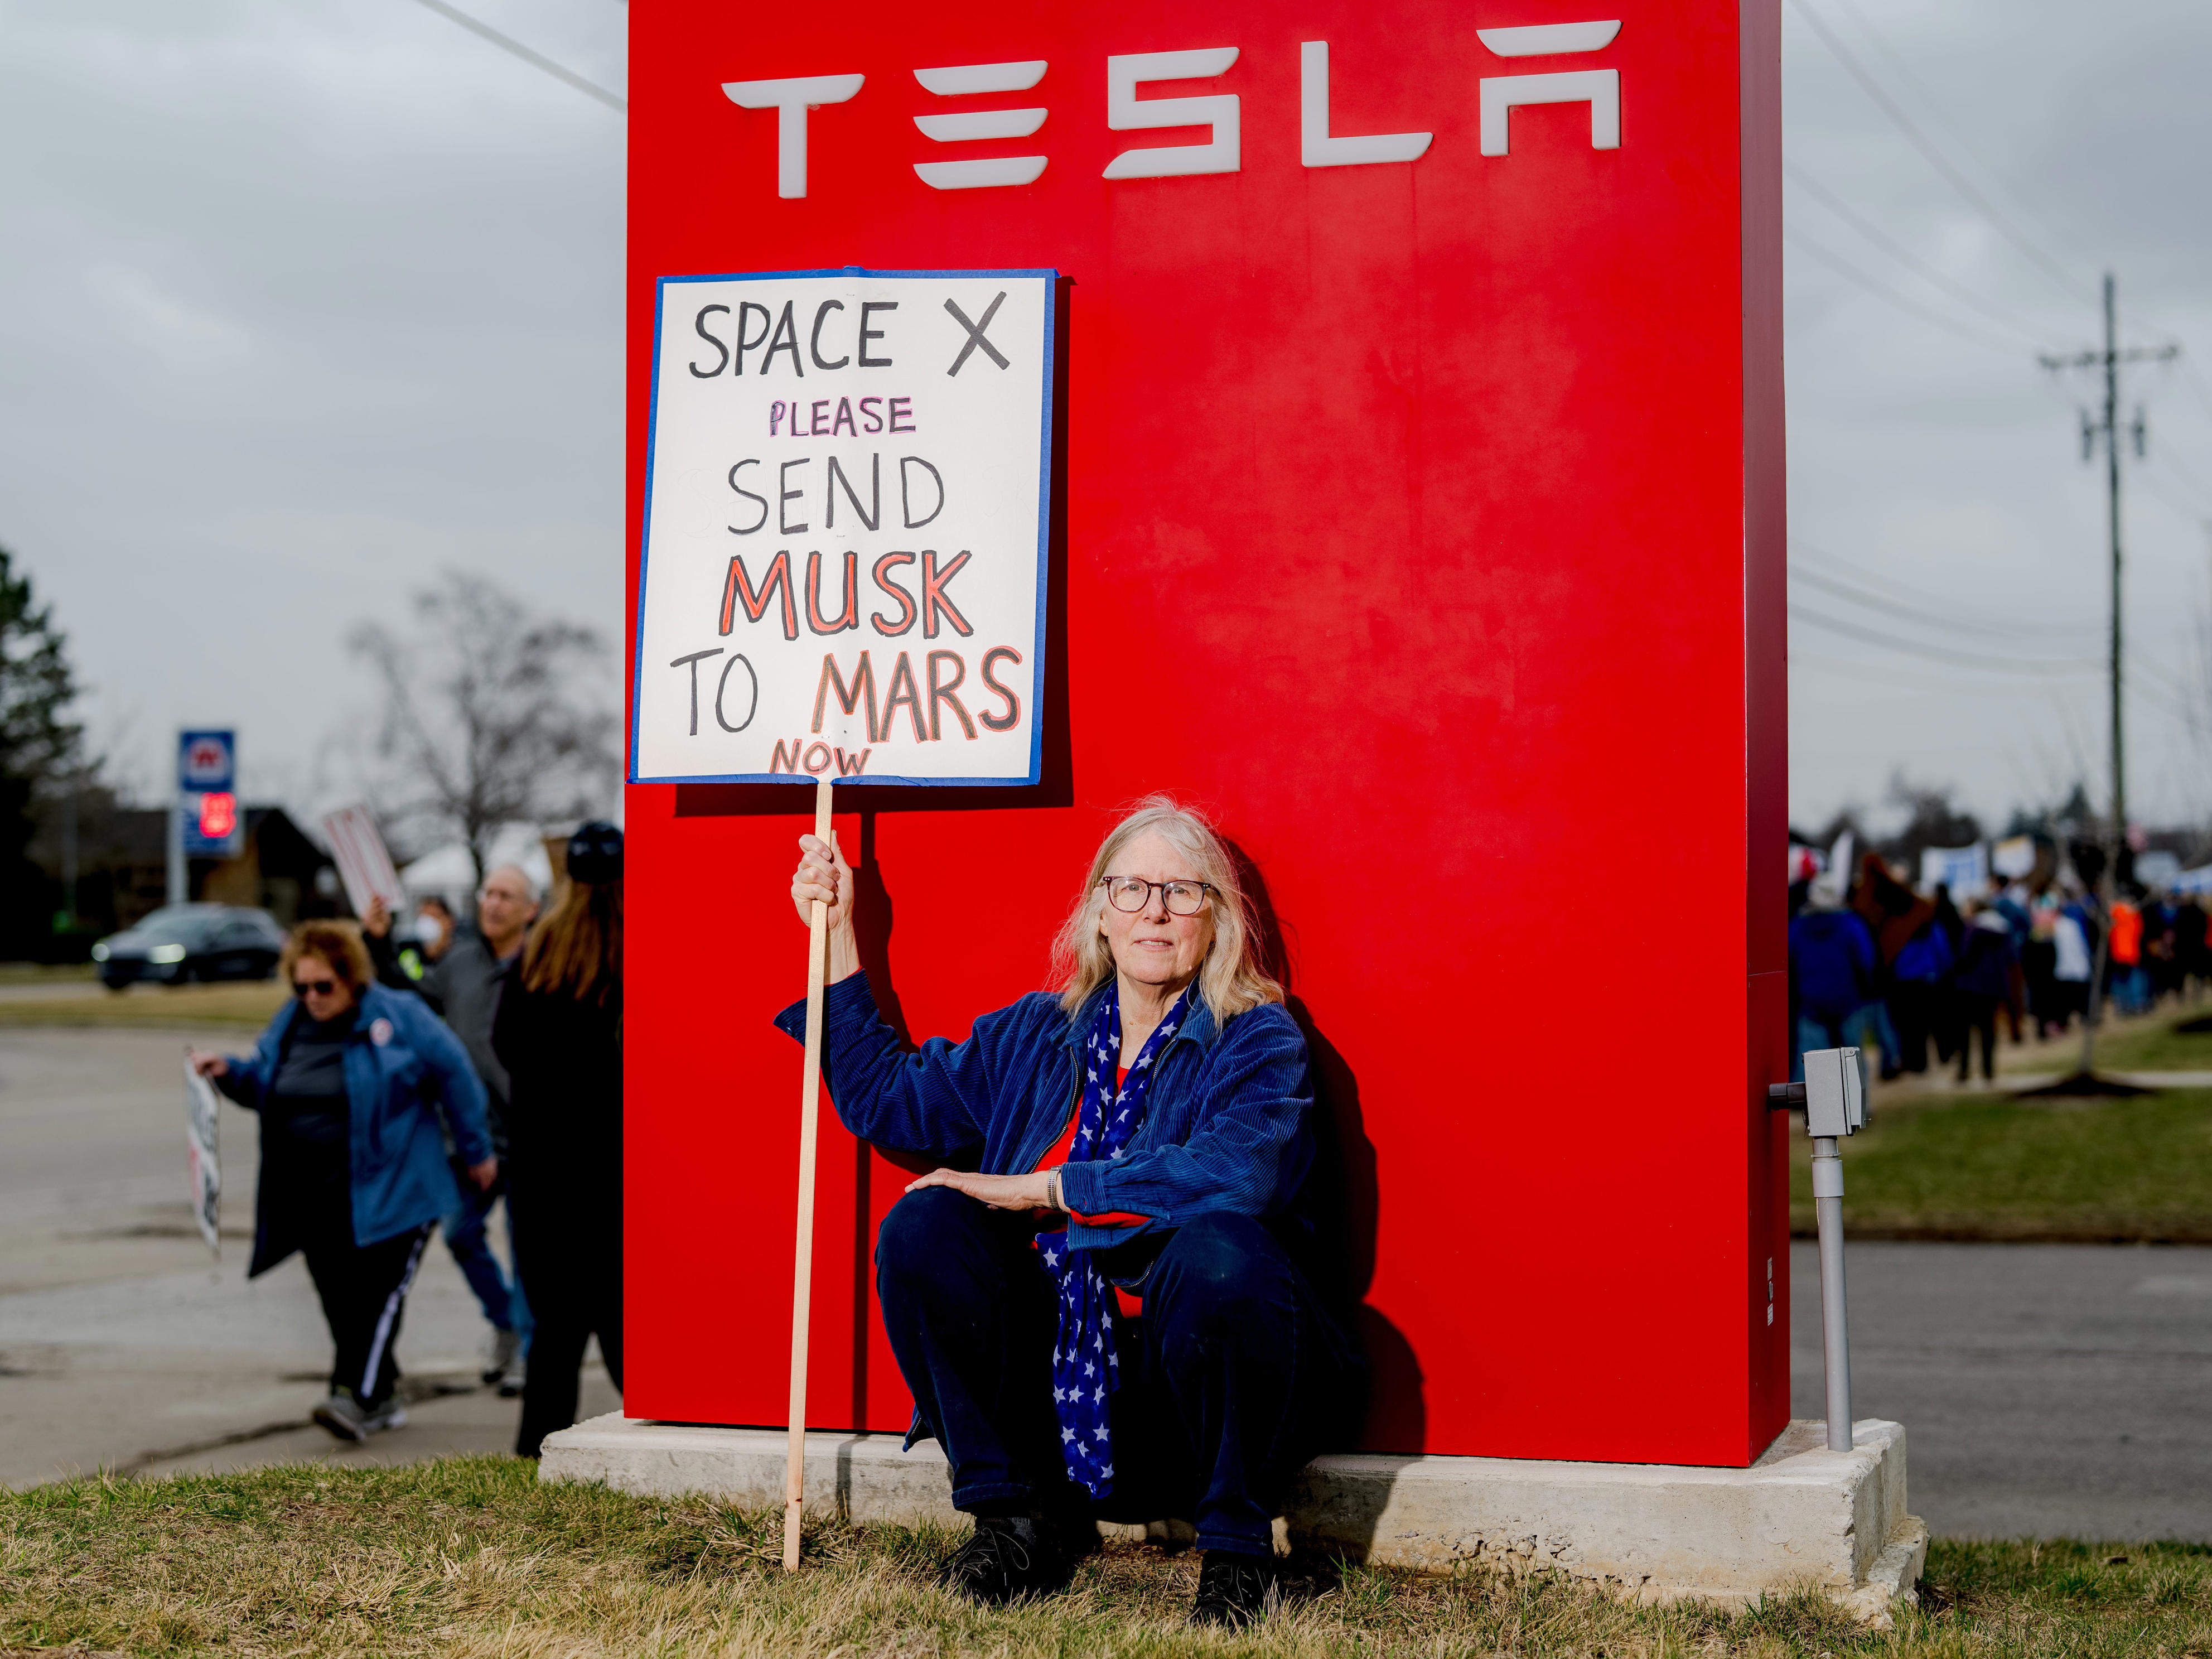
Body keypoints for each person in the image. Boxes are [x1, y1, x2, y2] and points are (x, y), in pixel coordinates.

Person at [783, 796, 1364, 1628]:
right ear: (1098, 909)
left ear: (1217, 917)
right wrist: (835, 932)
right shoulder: (1033, 1034)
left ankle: (1235, 1554)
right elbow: (889, 1100)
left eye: (1182, 892)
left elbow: (1240, 1172)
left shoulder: (1255, 1037)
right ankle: (1012, 1523)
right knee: (924, 1226)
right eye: (1130, 889)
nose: (1154, 912)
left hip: (1190, 1400)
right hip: (1056, 1393)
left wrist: (1050, 1187)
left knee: (1221, 1253)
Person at [189, 920, 494, 1440]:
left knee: (378, 1299)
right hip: (314, 1197)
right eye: (301, 987)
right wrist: (228, 1073)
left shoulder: (401, 1016)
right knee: (340, 1303)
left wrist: (476, 1150)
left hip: (397, 1189)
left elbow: (455, 1073)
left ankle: (352, 1395)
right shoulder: (291, 1023)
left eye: (323, 986)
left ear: (351, 977)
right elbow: (266, 1082)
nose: (311, 997)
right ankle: (382, 1394)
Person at [366, 865, 543, 1393]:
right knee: (461, 1233)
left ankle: (528, 1357)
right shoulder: (460, 960)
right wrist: (377, 944)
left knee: (528, 1250)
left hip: (532, 1134)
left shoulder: (544, 962)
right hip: (473, 1136)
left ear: (530, 910)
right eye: (488, 893)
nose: (493, 904)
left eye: (507, 896)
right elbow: (411, 999)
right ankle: (506, 1324)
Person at [494, 824, 623, 1460]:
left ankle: (535, 1455)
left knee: (554, 1333)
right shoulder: (637, 944)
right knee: (626, 1328)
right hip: (613, 1167)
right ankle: (658, 1441)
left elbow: (506, 1045)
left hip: (543, 1167)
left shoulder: (538, 949)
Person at [1786, 874, 1877, 1083]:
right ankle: (1859, 1109)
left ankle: (1815, 1111)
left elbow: (1788, 962)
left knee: (1812, 1067)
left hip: (1811, 1002)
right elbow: (1866, 960)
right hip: (1848, 1001)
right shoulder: (1851, 923)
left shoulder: (1798, 926)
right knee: (1853, 1063)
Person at [1950, 906, 2018, 1084]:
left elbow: (1963, 956)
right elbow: (2011, 958)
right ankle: (1988, 1070)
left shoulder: (1971, 929)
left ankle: (1964, 1070)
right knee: (1988, 1029)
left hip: (1968, 986)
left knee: (1965, 1030)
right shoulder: (2004, 931)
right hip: (1992, 987)